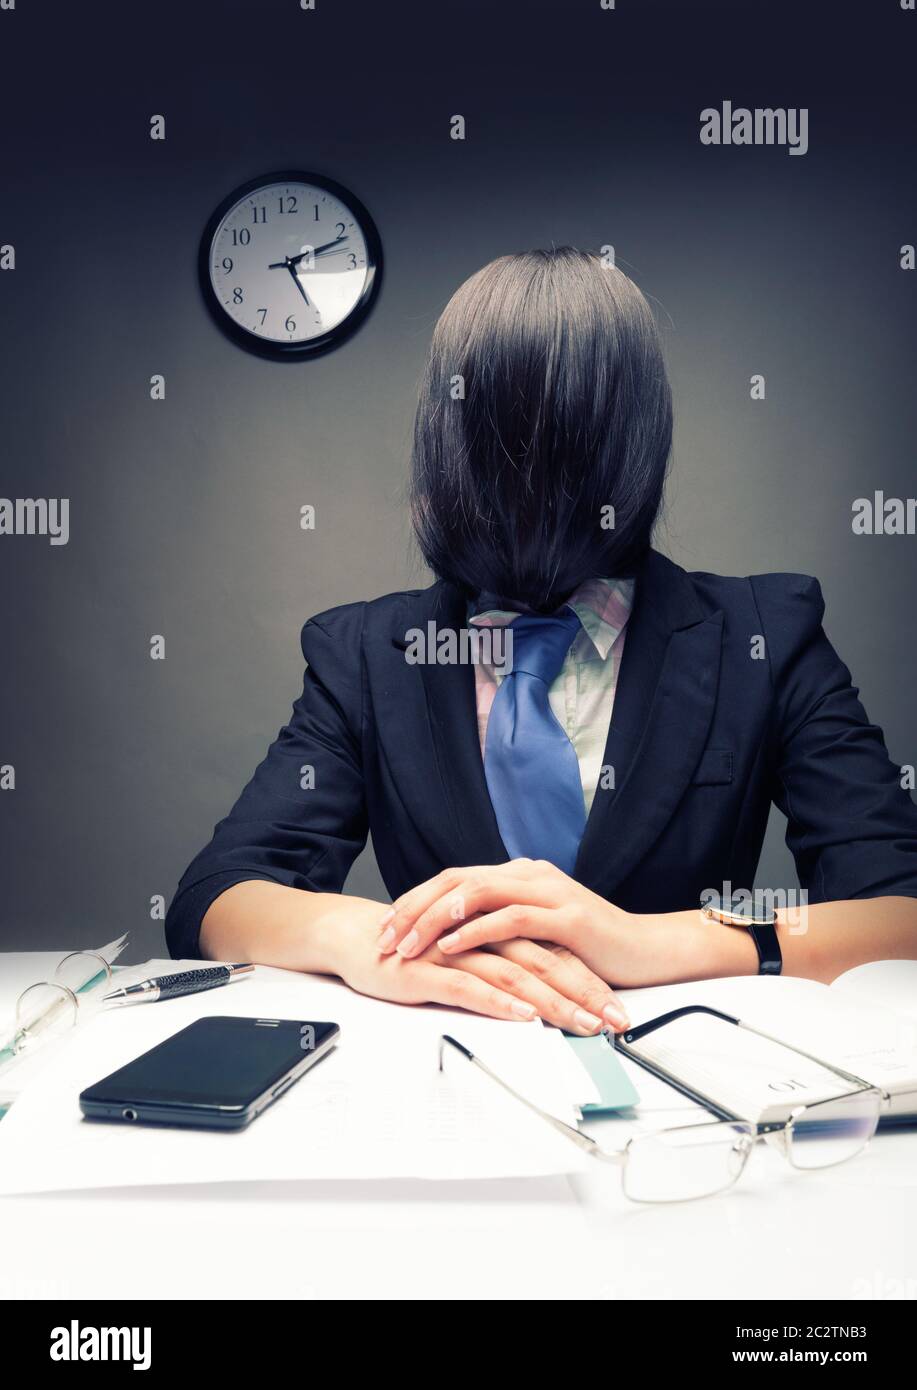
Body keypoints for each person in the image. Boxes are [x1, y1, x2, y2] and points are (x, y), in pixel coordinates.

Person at [165, 248, 917, 1036]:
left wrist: (648, 941)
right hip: (446, 1078)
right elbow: (213, 899)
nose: (521, 473)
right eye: (495, 434)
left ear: (627, 442)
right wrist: (370, 938)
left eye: (555, 434)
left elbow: (900, 913)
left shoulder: (765, 631)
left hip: (686, 1082)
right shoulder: (367, 651)